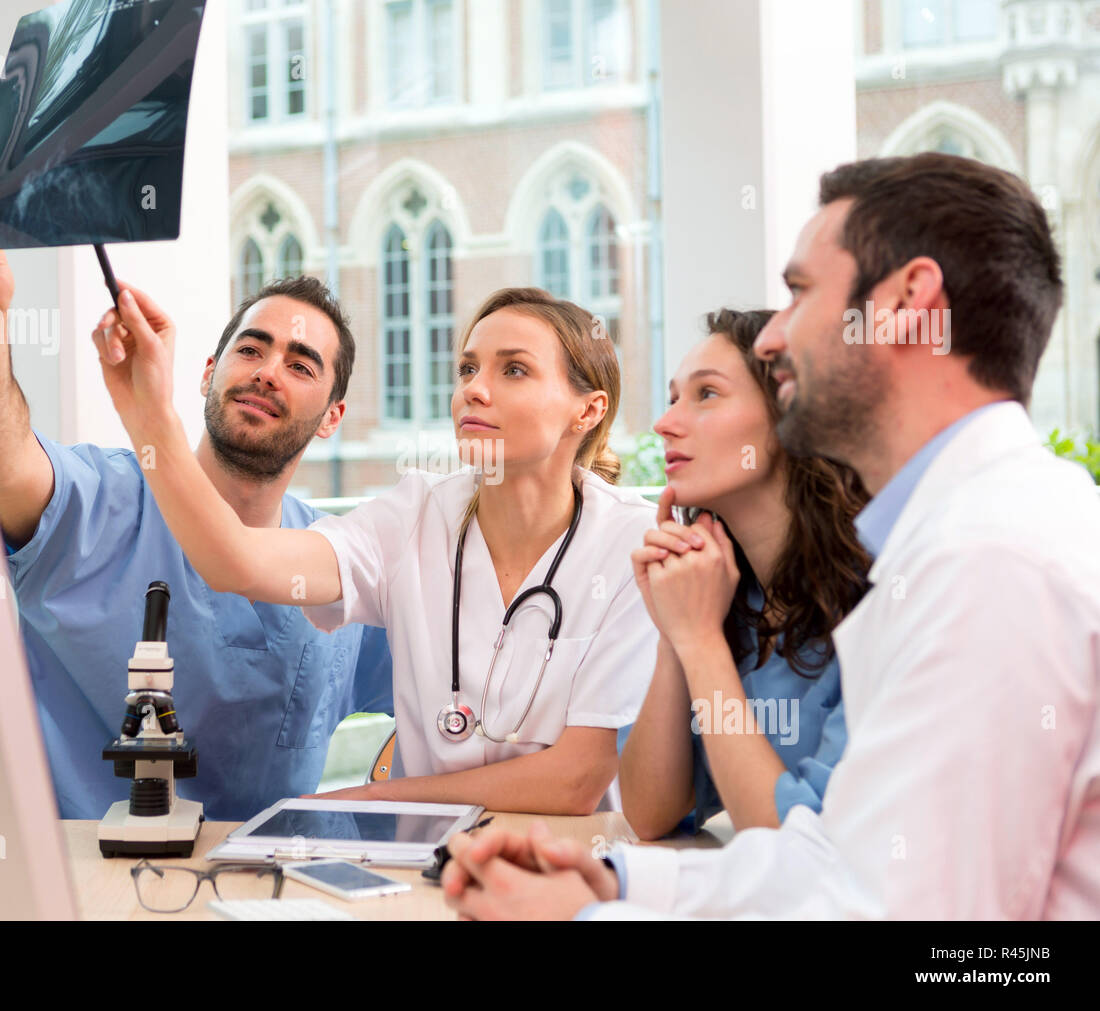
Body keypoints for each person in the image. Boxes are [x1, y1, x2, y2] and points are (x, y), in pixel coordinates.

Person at [441, 152, 1100, 919]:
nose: (774, 337)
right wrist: (611, 882)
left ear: (906, 303)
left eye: (800, 293)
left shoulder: (992, 561)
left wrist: (583, 918)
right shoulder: (951, 541)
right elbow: (837, 855)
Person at [0, 189, 393, 820]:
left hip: (259, 896)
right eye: (251, 349)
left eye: (300, 365)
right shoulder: (102, 501)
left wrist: (383, 806)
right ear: (207, 374)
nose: (268, 371)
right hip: (91, 891)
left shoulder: (335, 563)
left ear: (333, 418)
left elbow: (447, 695)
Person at [92, 285, 659, 814]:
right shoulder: (412, 516)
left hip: (564, 871)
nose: (473, 390)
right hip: (427, 867)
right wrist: (151, 417)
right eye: (467, 368)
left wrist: (357, 804)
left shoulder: (629, 543)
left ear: (587, 411)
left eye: (513, 370)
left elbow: (577, 779)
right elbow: (236, 562)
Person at [620, 308, 870, 839]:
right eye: (671, 399)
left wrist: (702, 642)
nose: (665, 423)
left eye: (706, 394)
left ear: (790, 417)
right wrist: (677, 634)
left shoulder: (875, 591)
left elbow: (798, 841)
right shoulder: (730, 593)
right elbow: (649, 812)